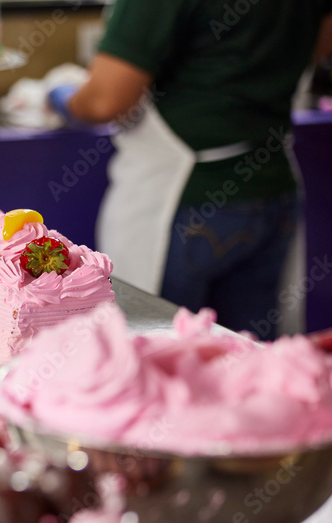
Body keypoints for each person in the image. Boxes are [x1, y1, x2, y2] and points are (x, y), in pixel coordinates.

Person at [49, 1, 332, 339]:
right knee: (252, 369)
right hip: (271, 190)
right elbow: (321, 44)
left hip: (183, 201)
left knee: (155, 359)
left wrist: (59, 95)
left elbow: (104, 101)